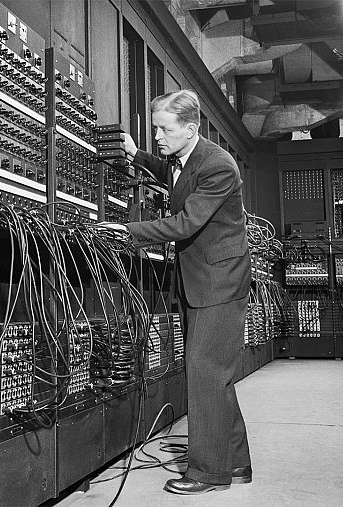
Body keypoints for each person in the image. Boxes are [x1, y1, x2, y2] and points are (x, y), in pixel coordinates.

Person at [105, 90, 252, 494]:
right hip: (200, 279)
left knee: (206, 373)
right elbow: (174, 176)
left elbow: (187, 222)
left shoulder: (219, 165)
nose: (157, 136)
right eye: (154, 128)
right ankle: (236, 464)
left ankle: (209, 473)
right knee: (214, 376)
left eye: (163, 129)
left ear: (190, 129)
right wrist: (137, 155)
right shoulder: (186, 158)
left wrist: (127, 232)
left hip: (220, 283)